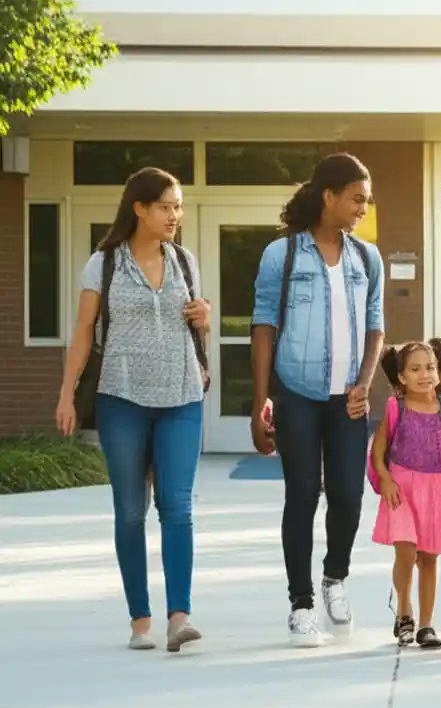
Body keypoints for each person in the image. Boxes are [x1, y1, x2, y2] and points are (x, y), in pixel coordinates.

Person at [54, 167, 211, 652]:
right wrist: (67, 391)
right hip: (121, 396)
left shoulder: (184, 261)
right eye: (165, 206)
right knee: (129, 511)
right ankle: (140, 620)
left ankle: (178, 617)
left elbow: (196, 324)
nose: (174, 215)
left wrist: (204, 316)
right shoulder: (102, 264)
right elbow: (83, 331)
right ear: (139, 208)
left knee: (178, 508)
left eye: (178, 206)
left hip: (182, 396)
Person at [249, 153, 386, 648]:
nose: (362, 209)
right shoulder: (282, 255)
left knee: (349, 498)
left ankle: (334, 577)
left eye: (366, 202)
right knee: (302, 497)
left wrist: (365, 383)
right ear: (328, 196)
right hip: (298, 396)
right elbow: (263, 328)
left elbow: (376, 327)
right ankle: (301, 603)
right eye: (356, 199)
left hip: (347, 400)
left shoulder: (366, 259)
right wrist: (260, 400)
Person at [370, 340, 441, 649]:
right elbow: (379, 447)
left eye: (430, 367)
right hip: (401, 487)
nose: (424, 374)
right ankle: (404, 613)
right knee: (406, 552)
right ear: (401, 377)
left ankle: (427, 624)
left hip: (435, 487)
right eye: (415, 369)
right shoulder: (395, 407)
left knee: (429, 558)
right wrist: (385, 478)